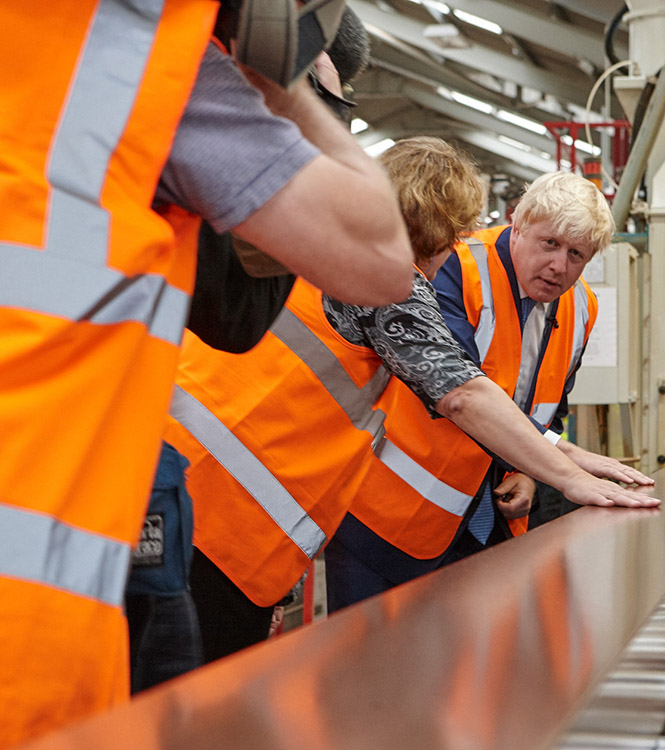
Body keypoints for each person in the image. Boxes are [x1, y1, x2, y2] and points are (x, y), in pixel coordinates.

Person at [0, 3, 411, 743]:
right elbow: (376, 257)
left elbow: (232, 306)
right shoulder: (133, 55)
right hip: (32, 623)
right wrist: (284, 87)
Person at [165, 139, 657, 659]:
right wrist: (575, 478)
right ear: (446, 233)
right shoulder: (387, 281)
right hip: (230, 521)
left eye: (575, 253)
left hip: (168, 474)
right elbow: (462, 393)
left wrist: (564, 461)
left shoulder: (311, 234)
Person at [124, 9, 373, 693]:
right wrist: (299, 106)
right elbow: (369, 252)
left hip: (145, 476)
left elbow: (235, 309)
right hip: (172, 498)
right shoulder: (182, 85)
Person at [326, 170, 654, 612]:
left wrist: (531, 471)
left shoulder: (581, 307)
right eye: (549, 243)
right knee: (370, 662)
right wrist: (566, 464)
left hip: (489, 523)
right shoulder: (454, 268)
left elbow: (550, 404)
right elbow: (460, 393)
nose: (559, 265)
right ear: (517, 224)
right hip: (390, 514)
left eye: (577, 254)